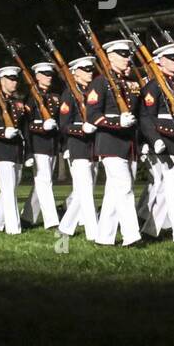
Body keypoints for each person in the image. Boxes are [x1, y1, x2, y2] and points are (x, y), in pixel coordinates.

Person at [91, 40, 143, 247]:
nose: (127, 58)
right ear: (110, 57)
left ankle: (104, 237)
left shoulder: (131, 83)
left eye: (128, 54)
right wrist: (116, 121)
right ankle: (132, 236)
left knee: (114, 192)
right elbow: (92, 115)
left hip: (129, 144)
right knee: (124, 187)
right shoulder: (101, 82)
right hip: (110, 143)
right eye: (122, 54)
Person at [139, 42, 174, 241]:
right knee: (173, 186)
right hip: (164, 141)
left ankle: (149, 230)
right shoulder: (153, 87)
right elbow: (146, 116)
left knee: (167, 188)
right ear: (159, 62)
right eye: (171, 58)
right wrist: (154, 140)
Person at [57, 55, 100, 240]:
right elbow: (64, 124)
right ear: (75, 73)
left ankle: (65, 227)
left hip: (93, 147)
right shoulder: (69, 94)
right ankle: (94, 233)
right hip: (78, 146)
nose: (89, 72)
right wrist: (80, 128)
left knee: (84, 191)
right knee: (86, 189)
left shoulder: (92, 92)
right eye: (85, 70)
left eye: (91, 69)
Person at [0, 67, 27, 234]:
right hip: (2, 151)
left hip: (16, 151)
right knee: (8, 191)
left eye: (15, 79)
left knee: (10, 189)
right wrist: (2, 133)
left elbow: (24, 129)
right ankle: (13, 229)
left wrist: (26, 153)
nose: (14, 82)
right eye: (10, 79)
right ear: (1, 81)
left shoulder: (17, 103)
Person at [20, 62, 62, 229]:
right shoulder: (30, 98)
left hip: (51, 144)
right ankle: (52, 221)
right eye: (44, 74)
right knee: (44, 181)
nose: (49, 77)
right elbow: (25, 125)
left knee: (43, 182)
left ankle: (28, 217)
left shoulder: (54, 97)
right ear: (37, 77)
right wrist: (41, 127)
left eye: (50, 74)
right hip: (37, 144)